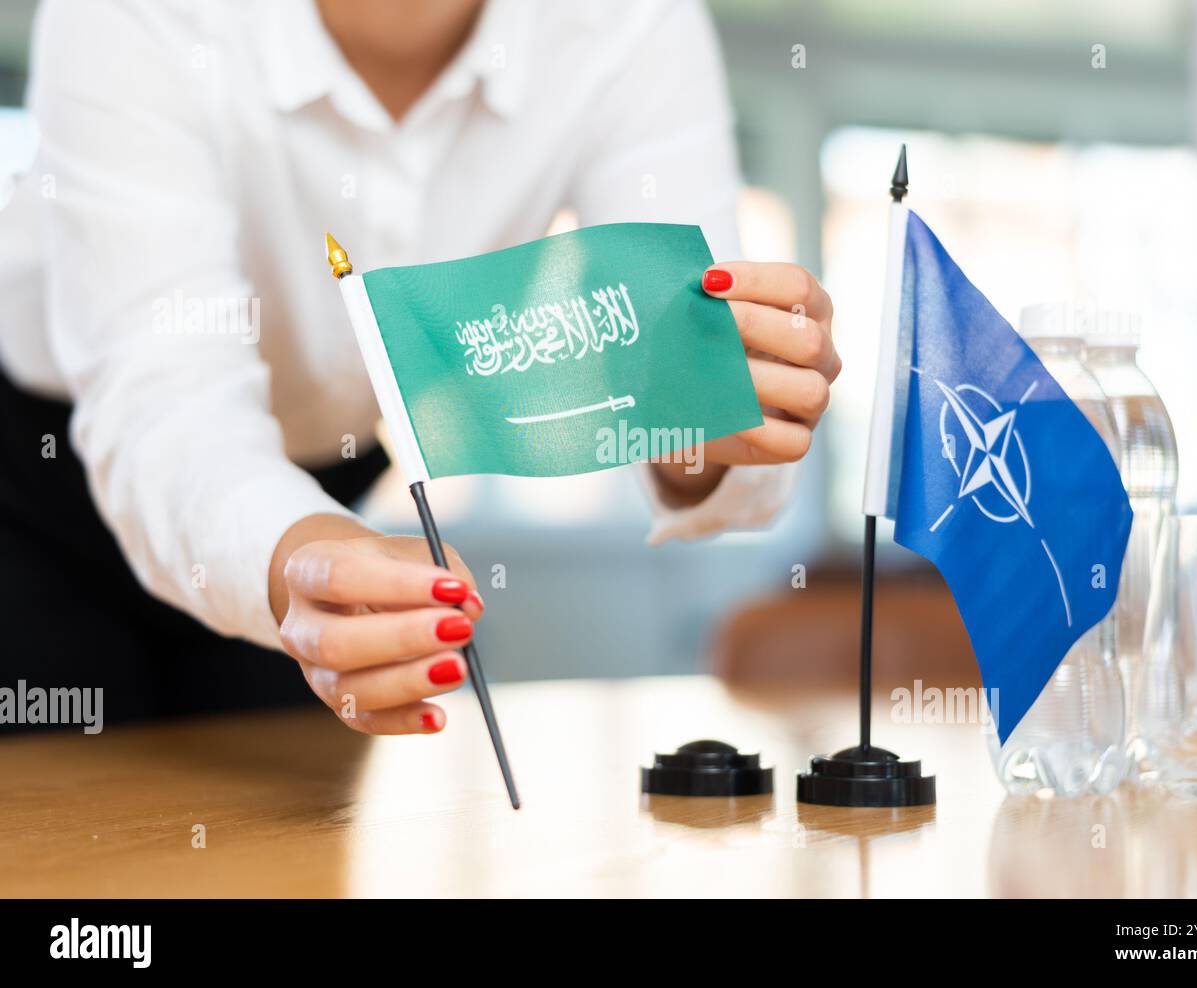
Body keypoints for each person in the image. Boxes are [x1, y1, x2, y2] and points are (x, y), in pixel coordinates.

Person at [0, 0, 840, 734]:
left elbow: (682, 373)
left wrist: (717, 406)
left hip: (321, 505)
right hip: (39, 503)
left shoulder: (626, 23)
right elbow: (165, 402)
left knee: (281, 842)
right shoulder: (135, 15)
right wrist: (307, 562)